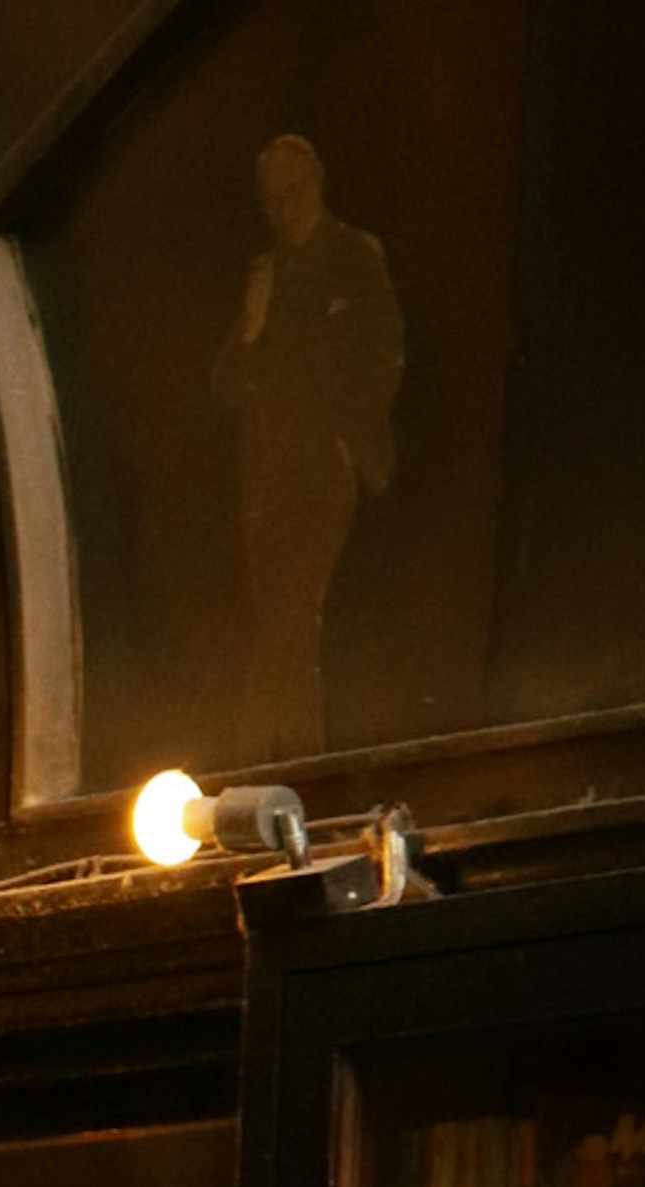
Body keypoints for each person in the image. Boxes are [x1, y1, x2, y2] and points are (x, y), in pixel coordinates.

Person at [212, 132, 401, 761]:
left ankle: (256, 750)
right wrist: (252, 327)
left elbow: (382, 355)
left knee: (295, 615)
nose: (284, 209)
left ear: (317, 179)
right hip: (268, 477)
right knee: (286, 623)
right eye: (272, 199)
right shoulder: (266, 275)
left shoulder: (352, 254)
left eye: (292, 192)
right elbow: (226, 384)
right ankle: (298, 760)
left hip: (325, 465)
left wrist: (351, 441)